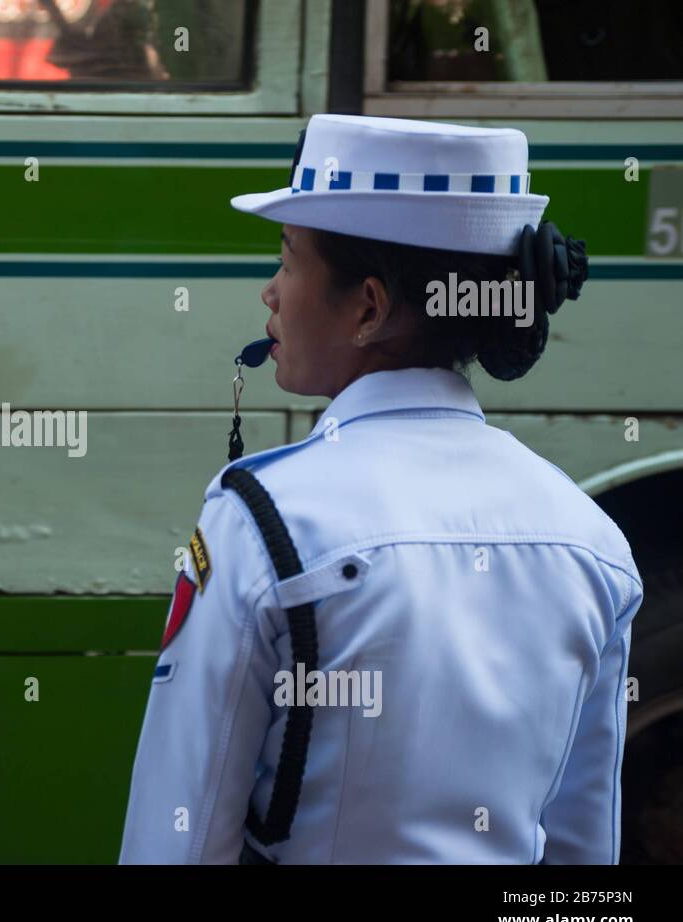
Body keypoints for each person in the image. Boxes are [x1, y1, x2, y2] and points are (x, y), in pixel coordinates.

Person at [119, 114, 642, 864]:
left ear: (368, 307)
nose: (270, 292)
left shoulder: (263, 518)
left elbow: (180, 836)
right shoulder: (593, 542)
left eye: (288, 259)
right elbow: (581, 863)